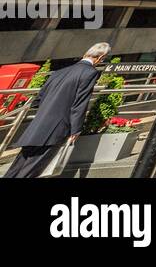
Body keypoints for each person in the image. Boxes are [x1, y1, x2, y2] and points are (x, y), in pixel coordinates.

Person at [5, 42, 110, 178]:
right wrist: (76, 129)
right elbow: (80, 102)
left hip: (37, 126)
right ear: (101, 57)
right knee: (30, 171)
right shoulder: (90, 73)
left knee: (16, 167)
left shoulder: (59, 72)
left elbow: (38, 99)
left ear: (86, 54)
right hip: (56, 128)